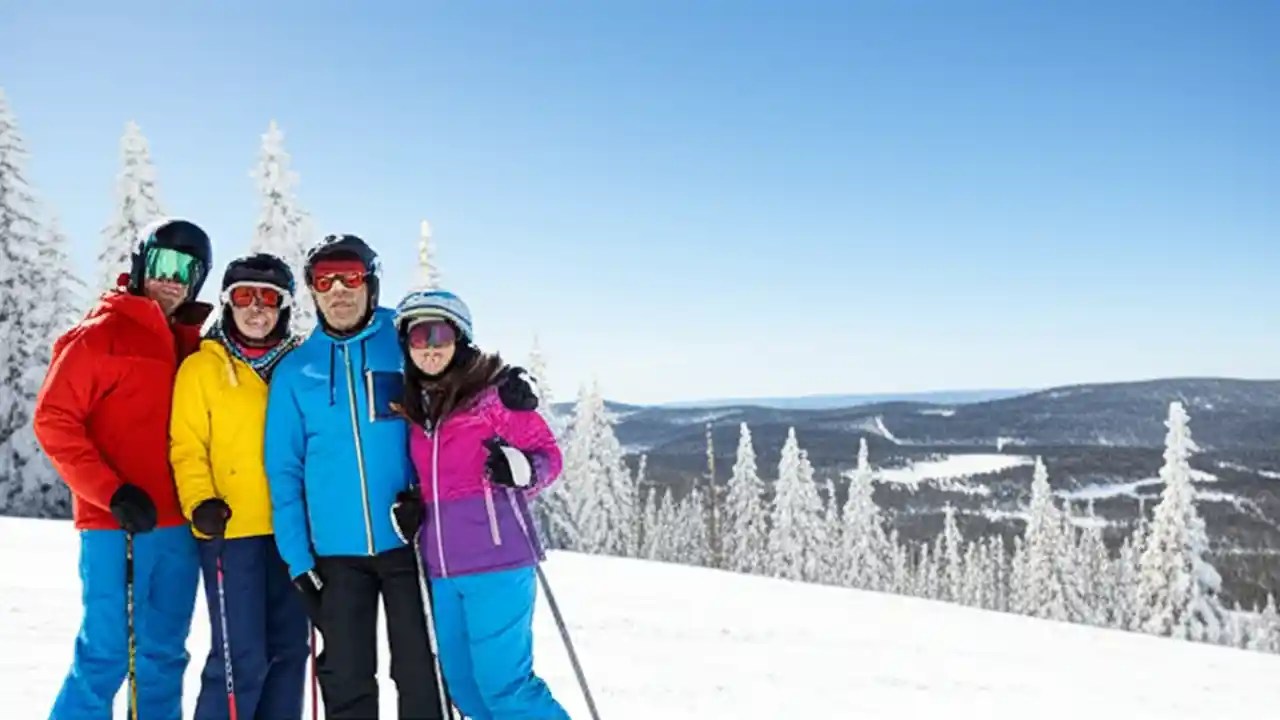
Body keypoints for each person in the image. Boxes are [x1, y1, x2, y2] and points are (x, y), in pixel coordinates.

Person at [33, 217, 214, 720]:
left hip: (179, 527)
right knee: (107, 652)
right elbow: (54, 420)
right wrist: (110, 493)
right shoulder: (99, 336)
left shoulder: (195, 347)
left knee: (163, 656)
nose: (173, 279)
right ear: (140, 264)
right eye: (163, 263)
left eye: (188, 269)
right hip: (116, 523)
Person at [389, 288, 570, 720]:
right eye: (418, 337)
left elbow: (550, 457)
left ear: (461, 338)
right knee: (466, 690)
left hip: (498, 563)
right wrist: (415, 506)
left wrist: (524, 470)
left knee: (506, 690)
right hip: (444, 571)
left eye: (440, 335)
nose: (430, 348)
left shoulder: (495, 397)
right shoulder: (420, 409)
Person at [170, 253, 310, 720]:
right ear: (228, 304)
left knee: (291, 653)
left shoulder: (297, 368)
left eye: (268, 297)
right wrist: (199, 501)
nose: (256, 308)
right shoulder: (202, 369)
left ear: (283, 306)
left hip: (292, 534)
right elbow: (187, 446)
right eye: (243, 296)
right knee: (240, 658)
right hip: (231, 532)